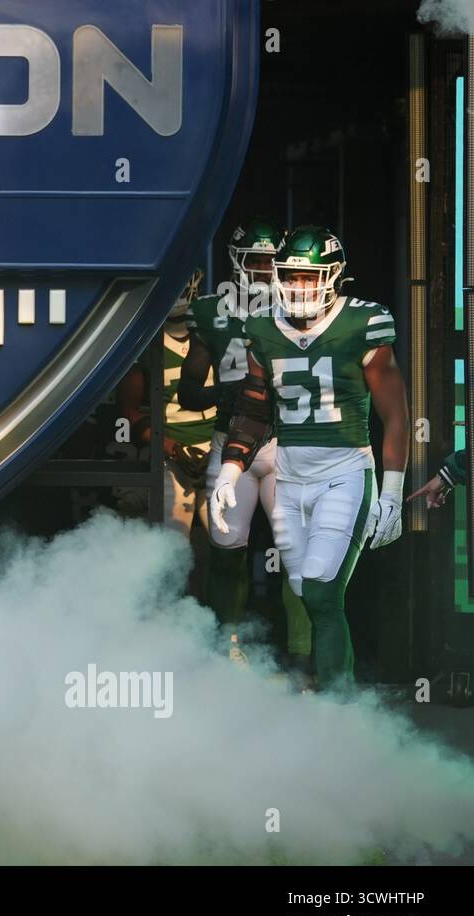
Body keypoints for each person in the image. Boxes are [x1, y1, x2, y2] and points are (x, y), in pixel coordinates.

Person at [212, 226, 410, 692]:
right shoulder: (261, 327)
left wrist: (394, 493)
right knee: (308, 594)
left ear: (333, 277)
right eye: (292, 276)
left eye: (309, 276)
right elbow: (257, 406)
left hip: (344, 474)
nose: (299, 287)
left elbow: (396, 415)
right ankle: (337, 702)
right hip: (289, 477)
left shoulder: (364, 323)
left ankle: (341, 706)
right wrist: (230, 467)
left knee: (322, 590)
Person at [178, 217, 313, 677]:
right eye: (255, 261)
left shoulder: (301, 308)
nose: (262, 270)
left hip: (286, 445)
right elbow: (188, 392)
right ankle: (226, 643)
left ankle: (301, 654)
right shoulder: (212, 312)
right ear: (236, 262)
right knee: (226, 548)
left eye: (271, 262)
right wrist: (226, 394)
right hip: (230, 440)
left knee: (297, 552)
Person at [114, 267, 215, 539]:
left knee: (230, 547)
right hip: (172, 459)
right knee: (173, 552)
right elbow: (129, 416)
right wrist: (173, 448)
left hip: (219, 455)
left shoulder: (216, 330)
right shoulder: (145, 341)